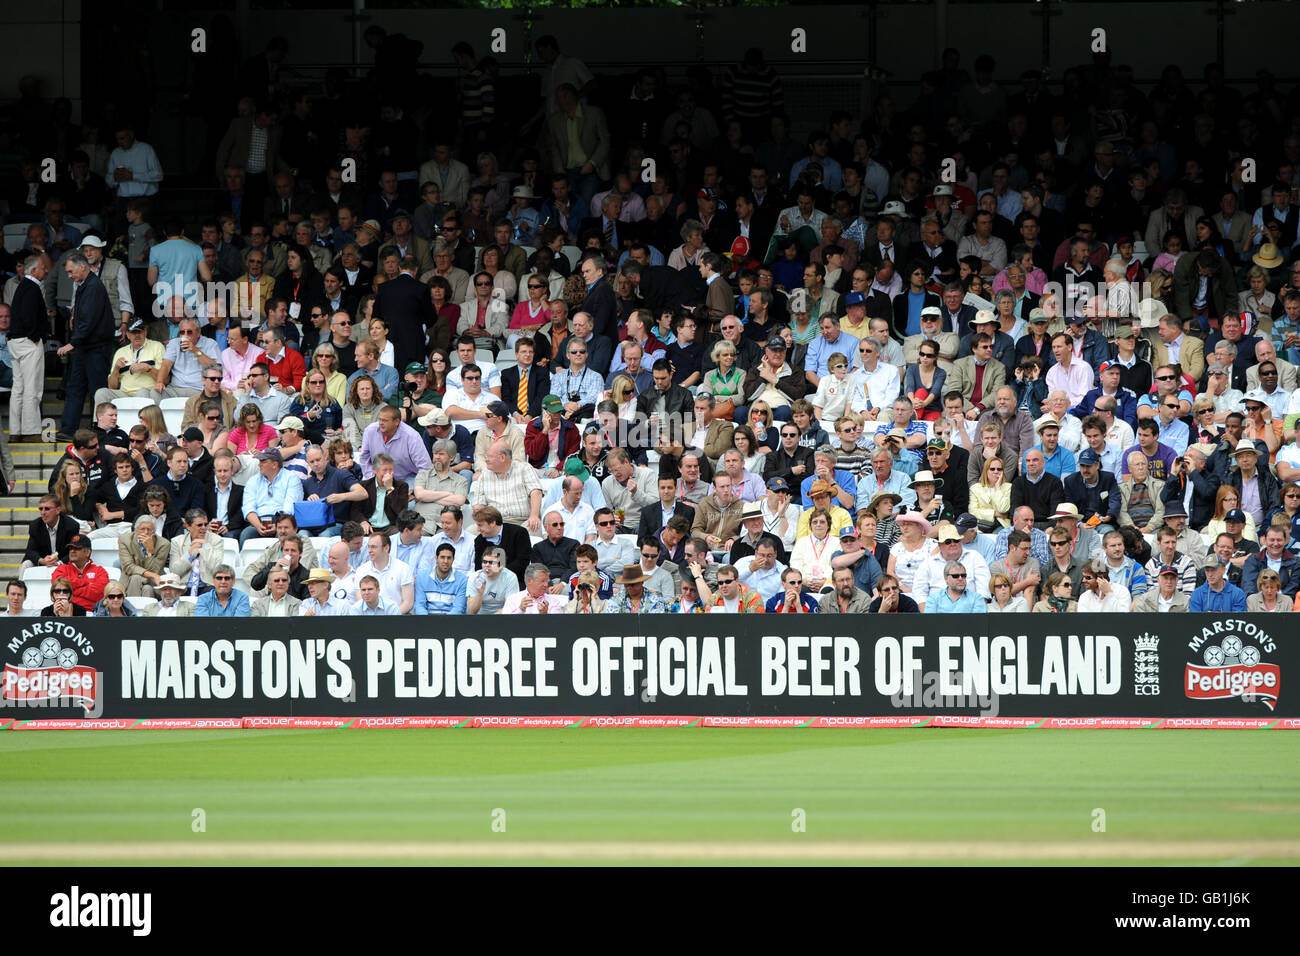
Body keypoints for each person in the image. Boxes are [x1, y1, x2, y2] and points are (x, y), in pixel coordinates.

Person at [501, 562, 565, 614]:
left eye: (547, 581)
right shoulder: (512, 600)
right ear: (529, 580)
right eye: (542, 581)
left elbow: (556, 627)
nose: (546, 585)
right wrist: (520, 610)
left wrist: (545, 615)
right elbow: (506, 625)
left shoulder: (554, 602)